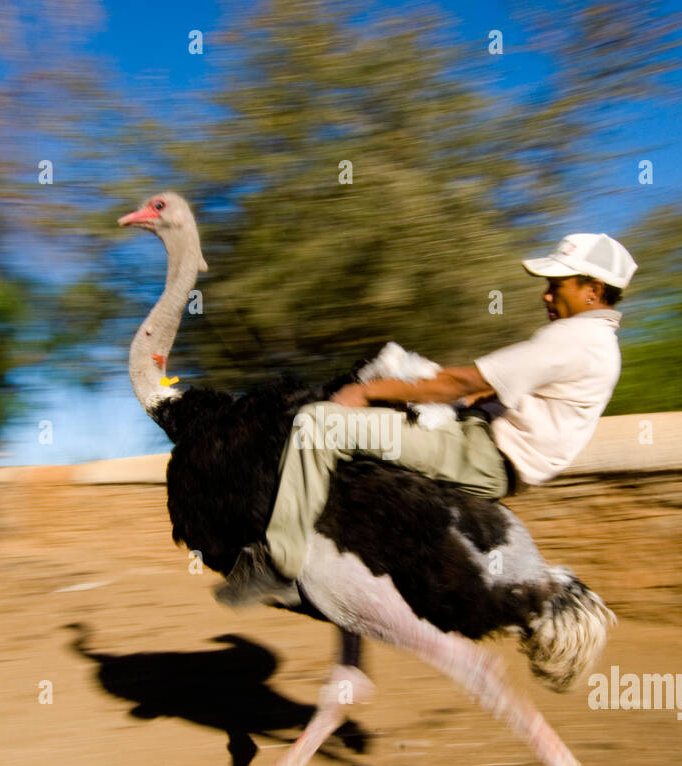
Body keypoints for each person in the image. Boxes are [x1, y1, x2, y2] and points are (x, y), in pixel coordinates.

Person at [216, 232, 637, 607]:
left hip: (477, 454)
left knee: (315, 423)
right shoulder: (595, 344)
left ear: (593, 289)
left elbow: (458, 381)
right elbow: (494, 388)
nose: (546, 295)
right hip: (480, 445)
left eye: (557, 284)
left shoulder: (575, 340)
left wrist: (367, 390)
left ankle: (278, 563)